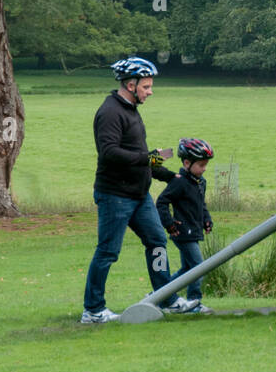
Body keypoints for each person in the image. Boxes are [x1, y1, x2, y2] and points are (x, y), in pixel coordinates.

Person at [81, 56, 193, 323]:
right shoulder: (110, 112)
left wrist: (169, 176)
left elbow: (139, 155)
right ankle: (93, 310)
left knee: (157, 241)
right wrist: (148, 157)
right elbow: (109, 153)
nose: (150, 92)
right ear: (130, 85)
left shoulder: (130, 110)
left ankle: (166, 298)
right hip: (115, 196)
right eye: (146, 87)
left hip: (139, 195)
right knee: (108, 251)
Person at [156, 137, 216, 313]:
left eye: (206, 165)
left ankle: (160, 295)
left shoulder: (200, 182)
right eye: (201, 165)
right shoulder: (179, 182)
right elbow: (161, 202)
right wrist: (169, 224)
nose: (204, 169)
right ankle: (193, 302)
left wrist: (207, 219)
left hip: (194, 230)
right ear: (187, 162)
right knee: (198, 267)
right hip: (182, 232)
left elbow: (201, 204)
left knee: (187, 269)